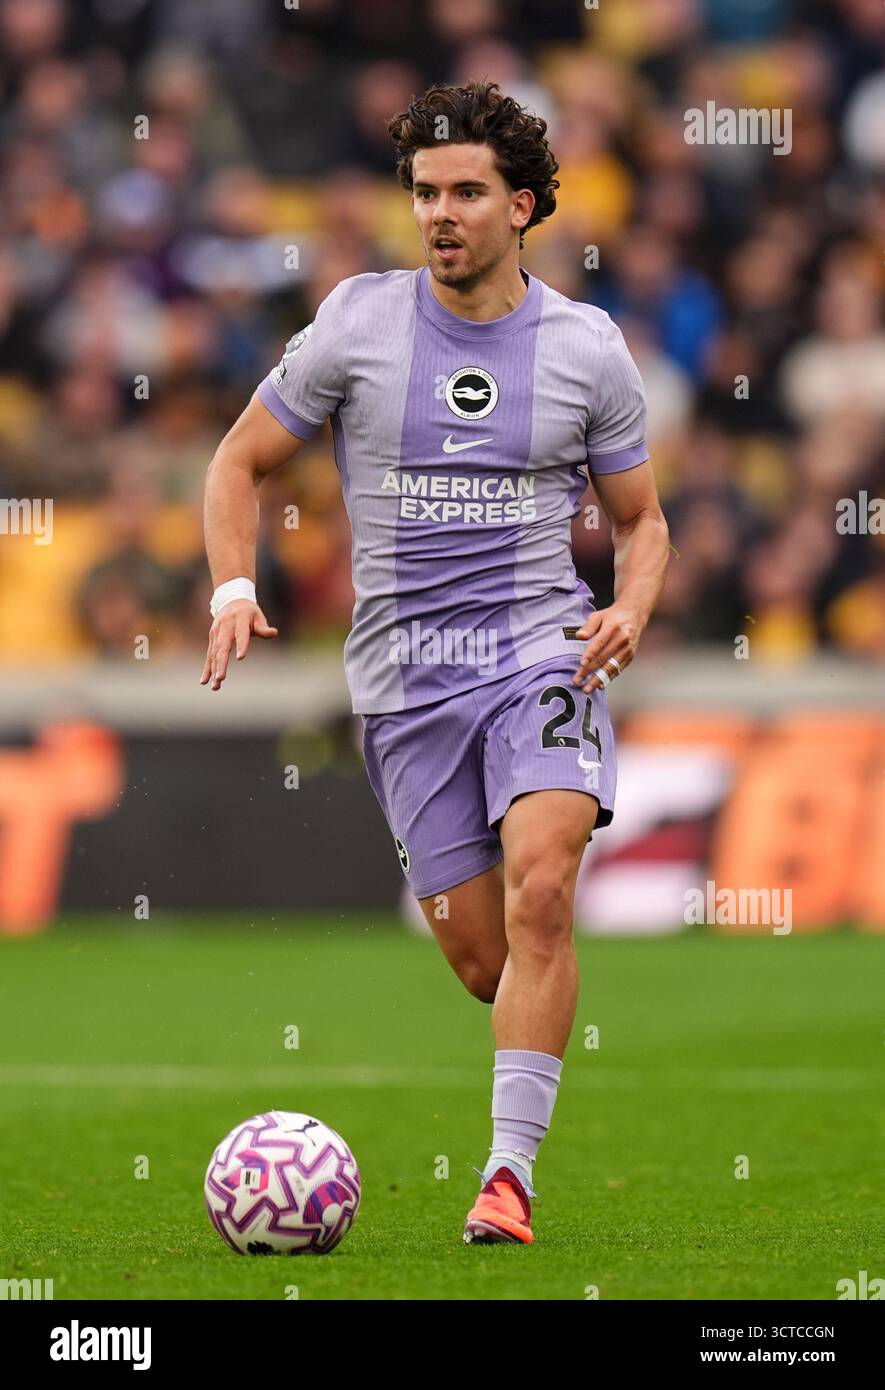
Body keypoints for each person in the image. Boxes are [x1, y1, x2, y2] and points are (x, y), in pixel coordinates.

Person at [201, 80, 670, 1245]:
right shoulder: (359, 323)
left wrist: (630, 608)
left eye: (466, 192)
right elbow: (236, 461)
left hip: (538, 659)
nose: (440, 212)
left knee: (546, 887)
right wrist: (231, 585)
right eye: (424, 192)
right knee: (484, 958)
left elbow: (645, 521)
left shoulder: (585, 348)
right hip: (407, 684)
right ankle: (527, 1044)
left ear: (522, 205)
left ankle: (506, 1177)